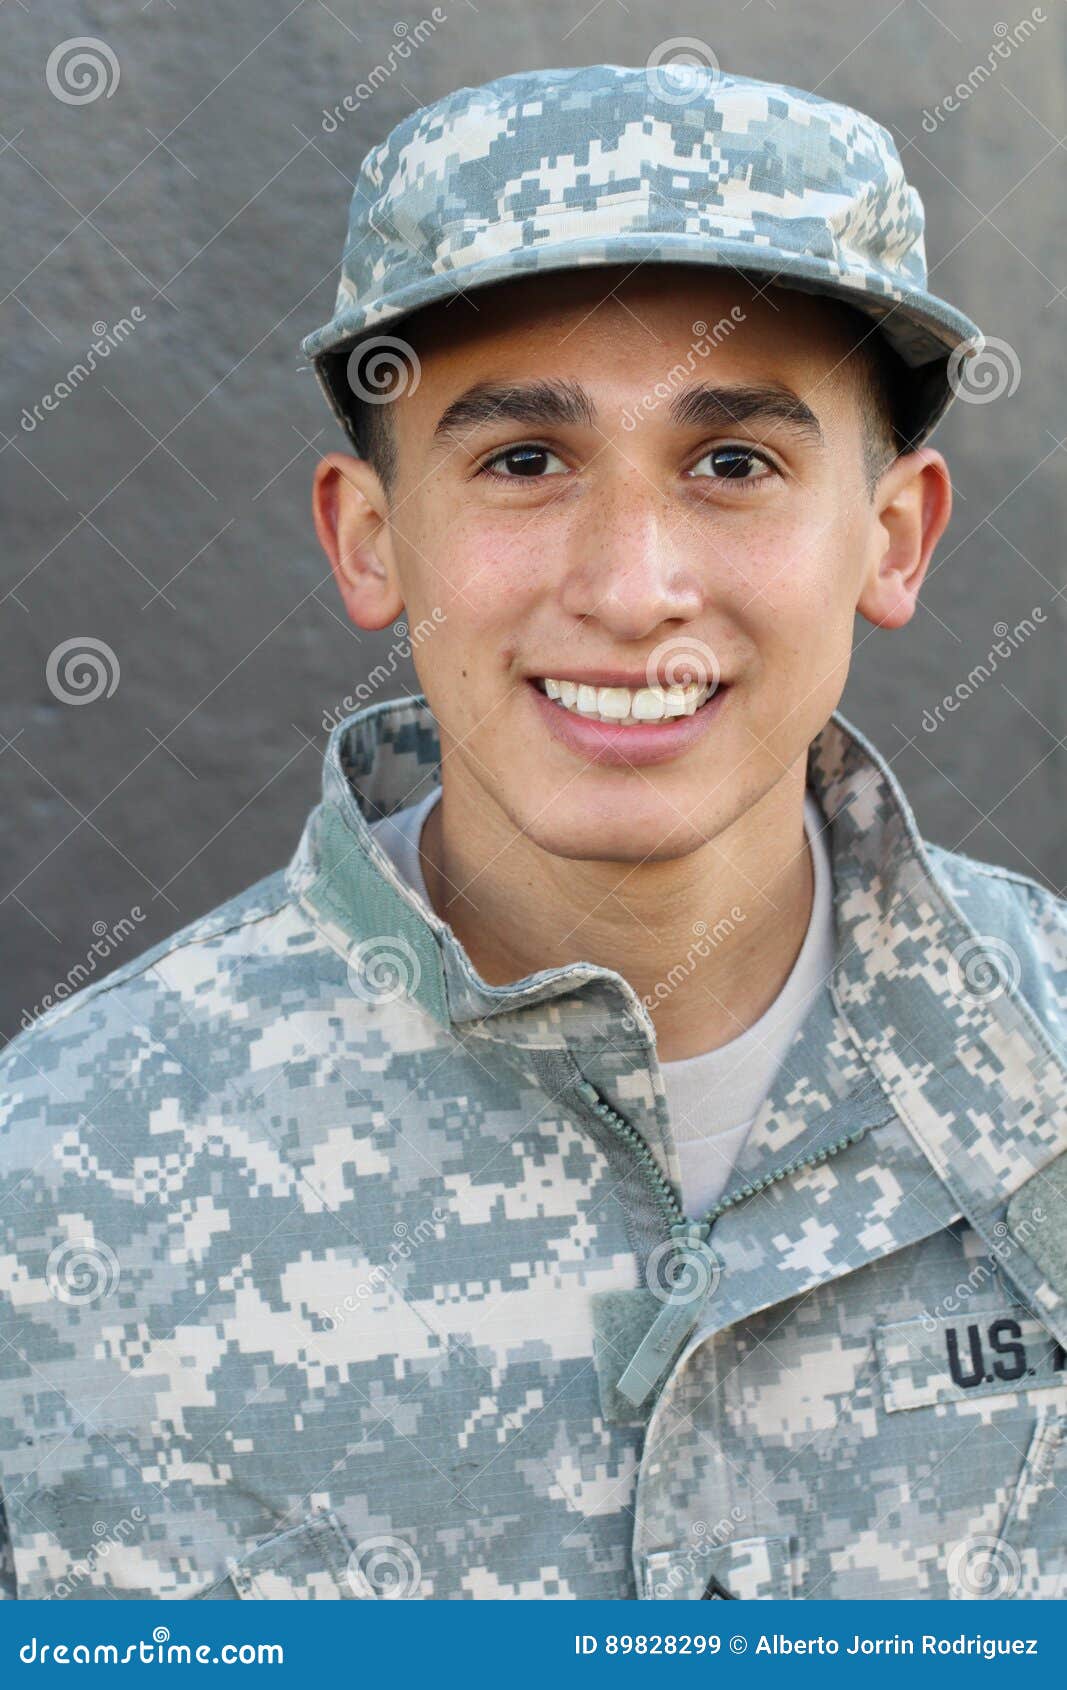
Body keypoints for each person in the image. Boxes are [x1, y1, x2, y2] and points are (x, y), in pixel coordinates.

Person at [1, 64, 1065, 1603]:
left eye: (734, 464)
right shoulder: (53, 1192)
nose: (632, 588)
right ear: (372, 539)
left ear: (891, 537)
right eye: (522, 461)